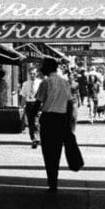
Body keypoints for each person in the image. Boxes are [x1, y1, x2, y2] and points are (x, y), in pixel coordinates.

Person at [33, 58, 81, 193]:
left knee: (48, 151)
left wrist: (31, 120)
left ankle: (52, 181)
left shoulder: (45, 83)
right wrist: (70, 121)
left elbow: (38, 103)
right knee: (58, 150)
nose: (41, 68)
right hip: (61, 119)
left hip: (48, 119)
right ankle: (54, 180)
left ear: (48, 68)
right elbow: (70, 103)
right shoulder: (65, 82)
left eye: (43, 66)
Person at [18, 64, 41, 148]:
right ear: (28, 74)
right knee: (31, 122)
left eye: (34, 73)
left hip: (38, 104)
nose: (32, 75)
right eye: (31, 73)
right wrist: (21, 106)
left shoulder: (40, 83)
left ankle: (36, 139)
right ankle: (34, 137)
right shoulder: (25, 84)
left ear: (37, 73)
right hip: (29, 104)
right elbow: (23, 96)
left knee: (36, 121)